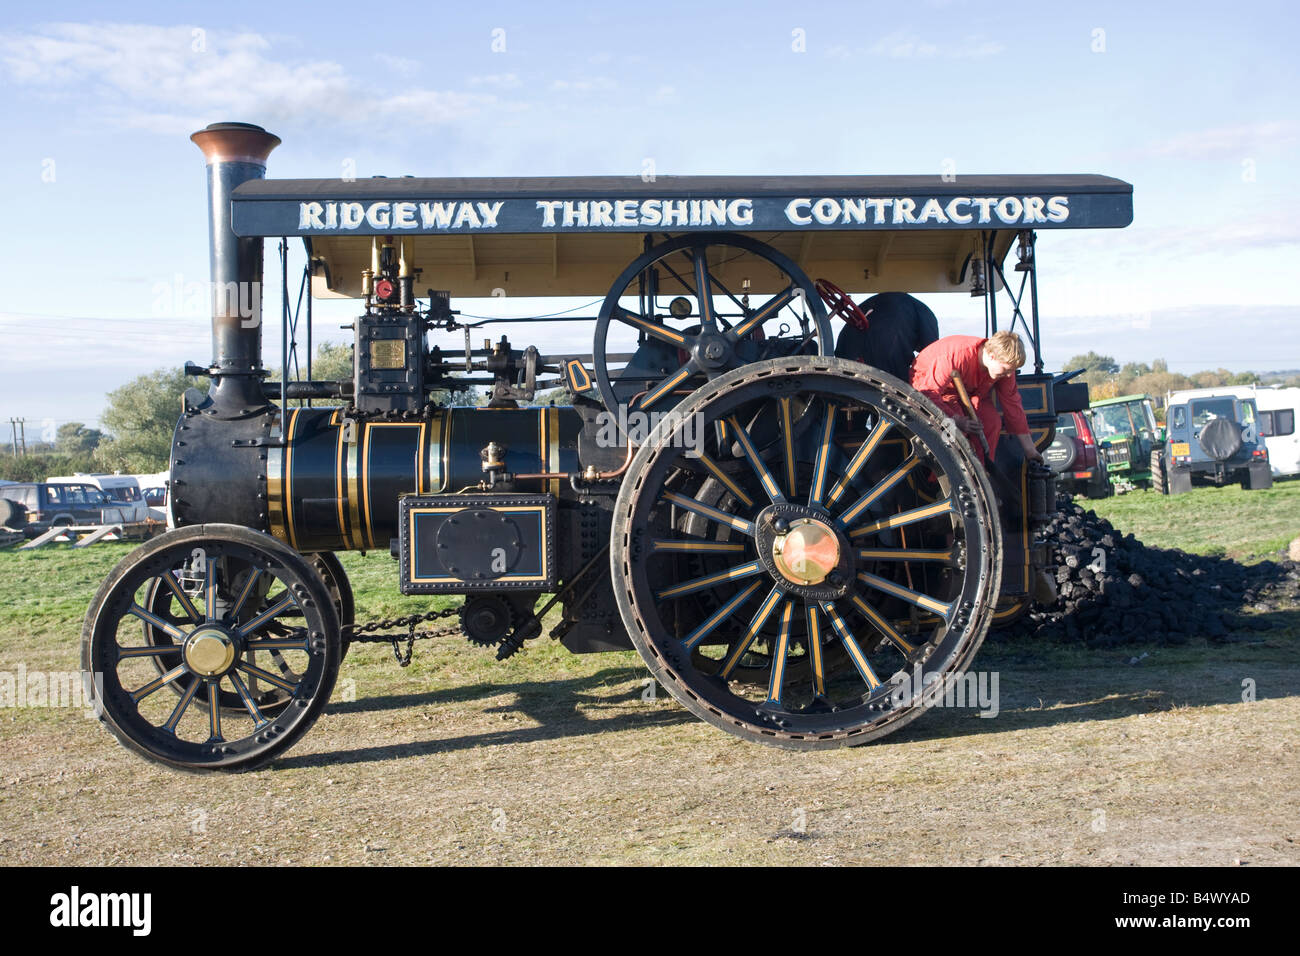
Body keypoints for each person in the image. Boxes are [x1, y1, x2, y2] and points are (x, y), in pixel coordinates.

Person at [909, 331, 1044, 465]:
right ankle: (942, 478)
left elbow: (1013, 404)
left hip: (968, 393)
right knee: (954, 429)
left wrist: (1030, 449)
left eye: (1011, 371)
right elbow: (927, 394)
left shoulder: (1004, 367)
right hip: (932, 390)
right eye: (1006, 370)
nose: (1009, 376)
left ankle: (982, 472)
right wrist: (956, 420)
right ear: (991, 356)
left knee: (991, 421)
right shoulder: (954, 356)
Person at [834, 292, 939, 381]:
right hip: (887, 340)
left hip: (848, 343)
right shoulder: (925, 315)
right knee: (898, 385)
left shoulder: (905, 305)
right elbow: (933, 356)